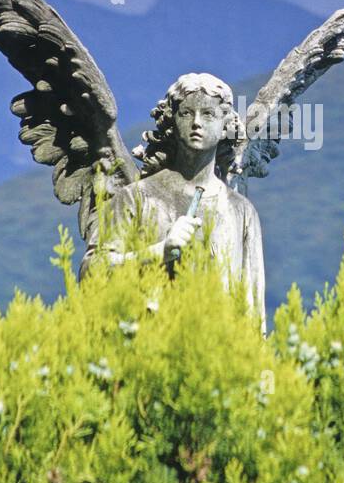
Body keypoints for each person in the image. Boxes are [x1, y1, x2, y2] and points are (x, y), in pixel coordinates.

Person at [81, 73, 266, 335]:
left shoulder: (242, 211)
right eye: (186, 113)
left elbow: (252, 309)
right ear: (172, 119)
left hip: (221, 357)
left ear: (226, 123)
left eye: (208, 114)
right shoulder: (138, 196)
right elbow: (91, 272)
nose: (196, 123)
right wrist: (159, 252)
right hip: (148, 350)